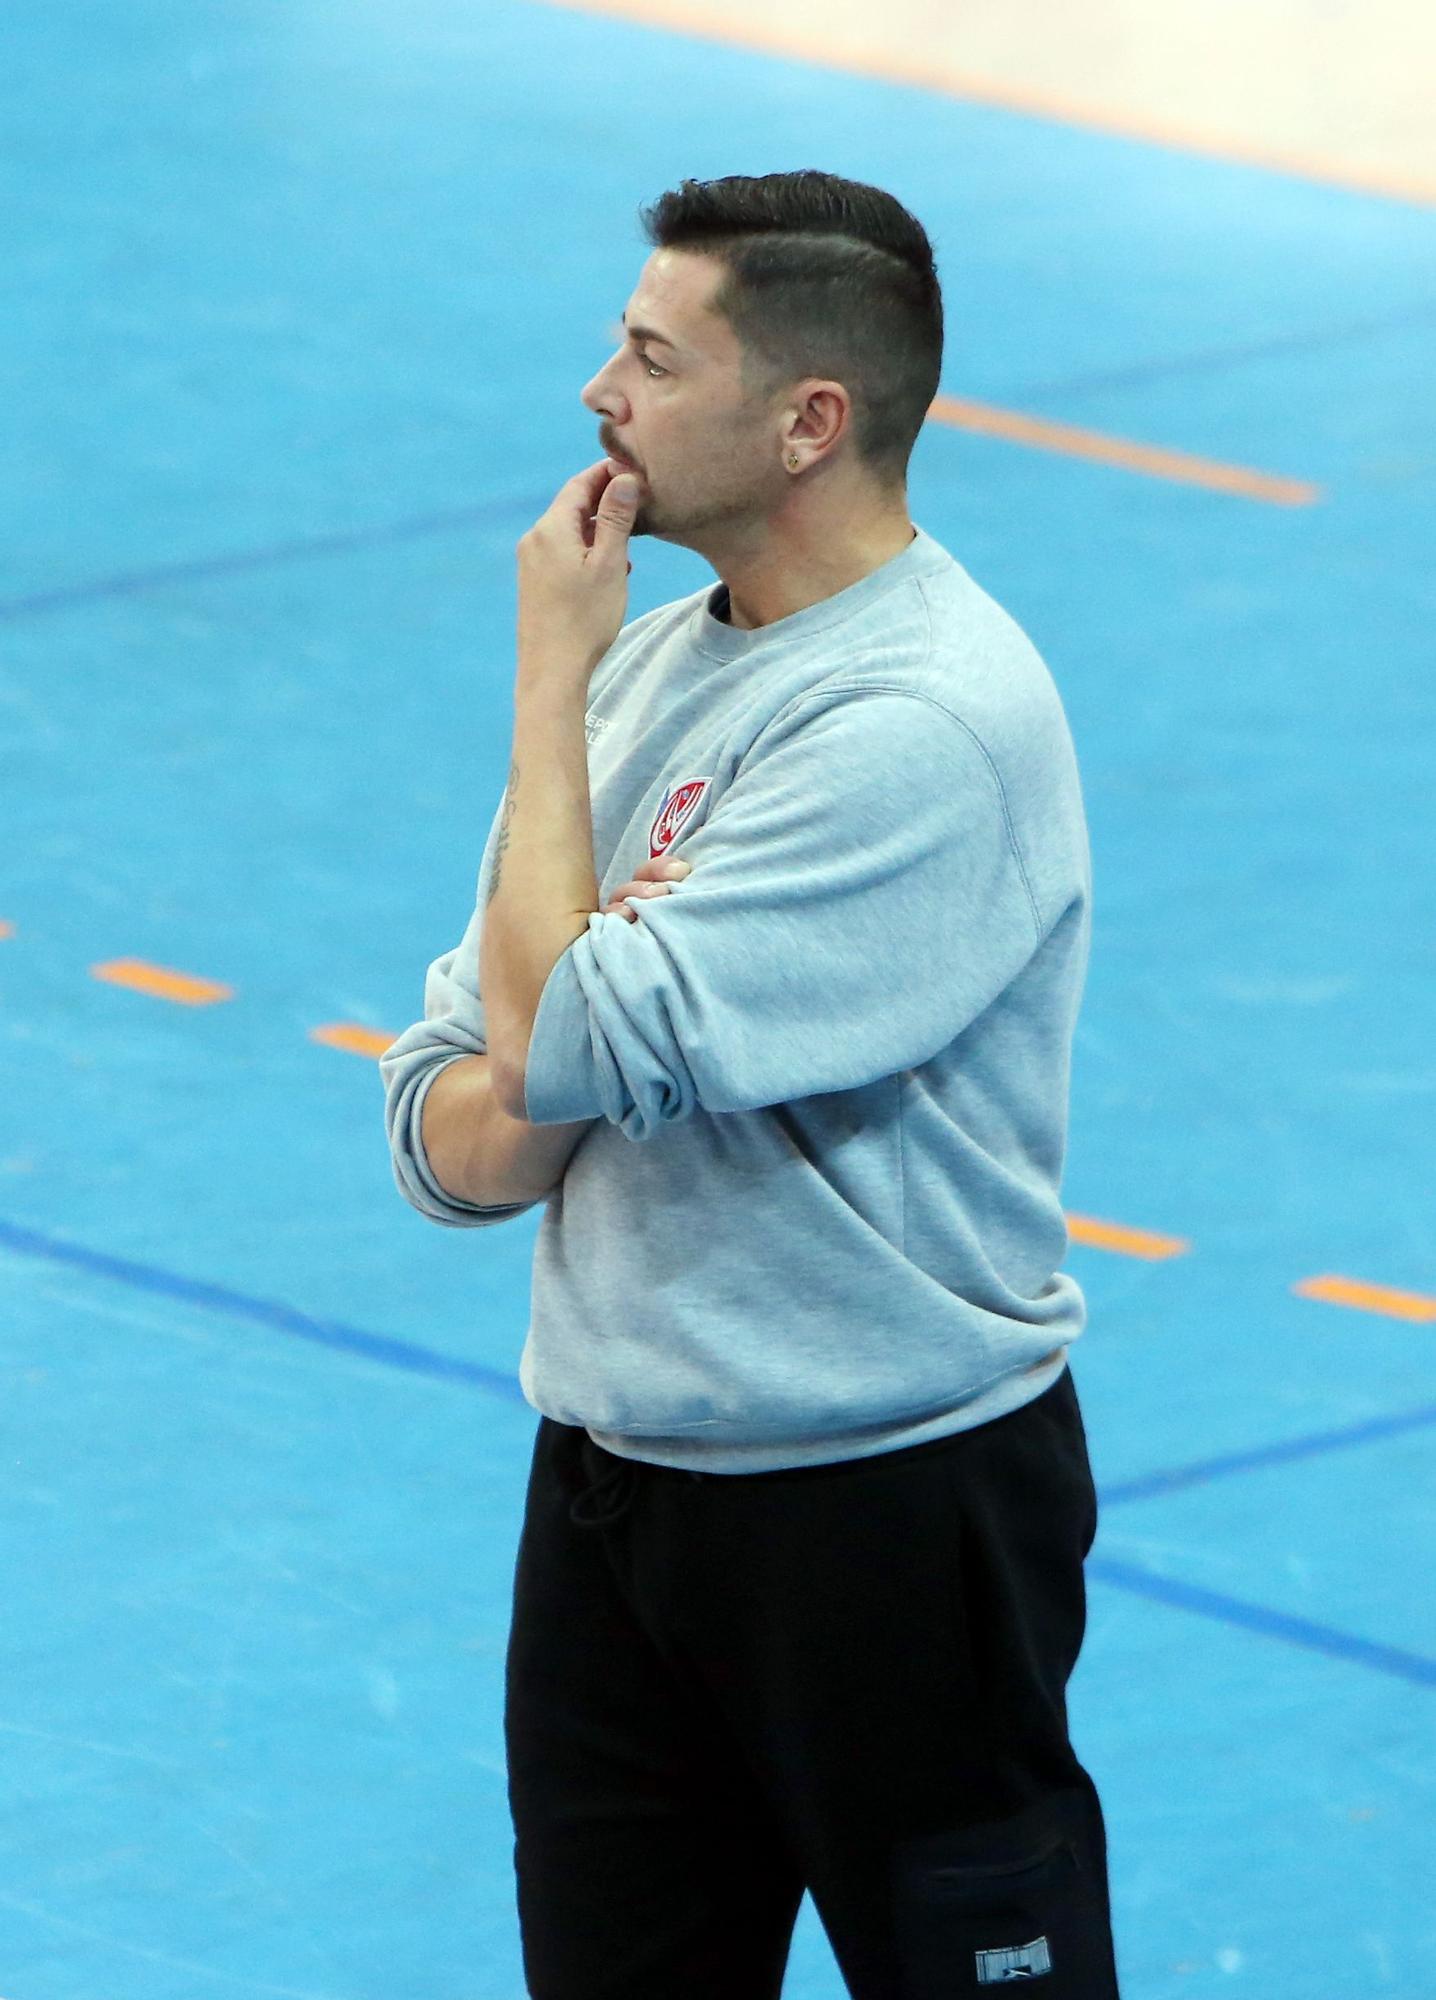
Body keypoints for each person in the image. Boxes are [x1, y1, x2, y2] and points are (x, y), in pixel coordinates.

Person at [381, 169, 1122, 1997]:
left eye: (648, 356)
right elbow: (447, 1119)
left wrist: (546, 686)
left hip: (883, 1517)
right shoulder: (654, 669)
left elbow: (534, 1049)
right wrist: (545, 1059)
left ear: (810, 420)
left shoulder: (919, 723)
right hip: (618, 1494)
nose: (596, 395)